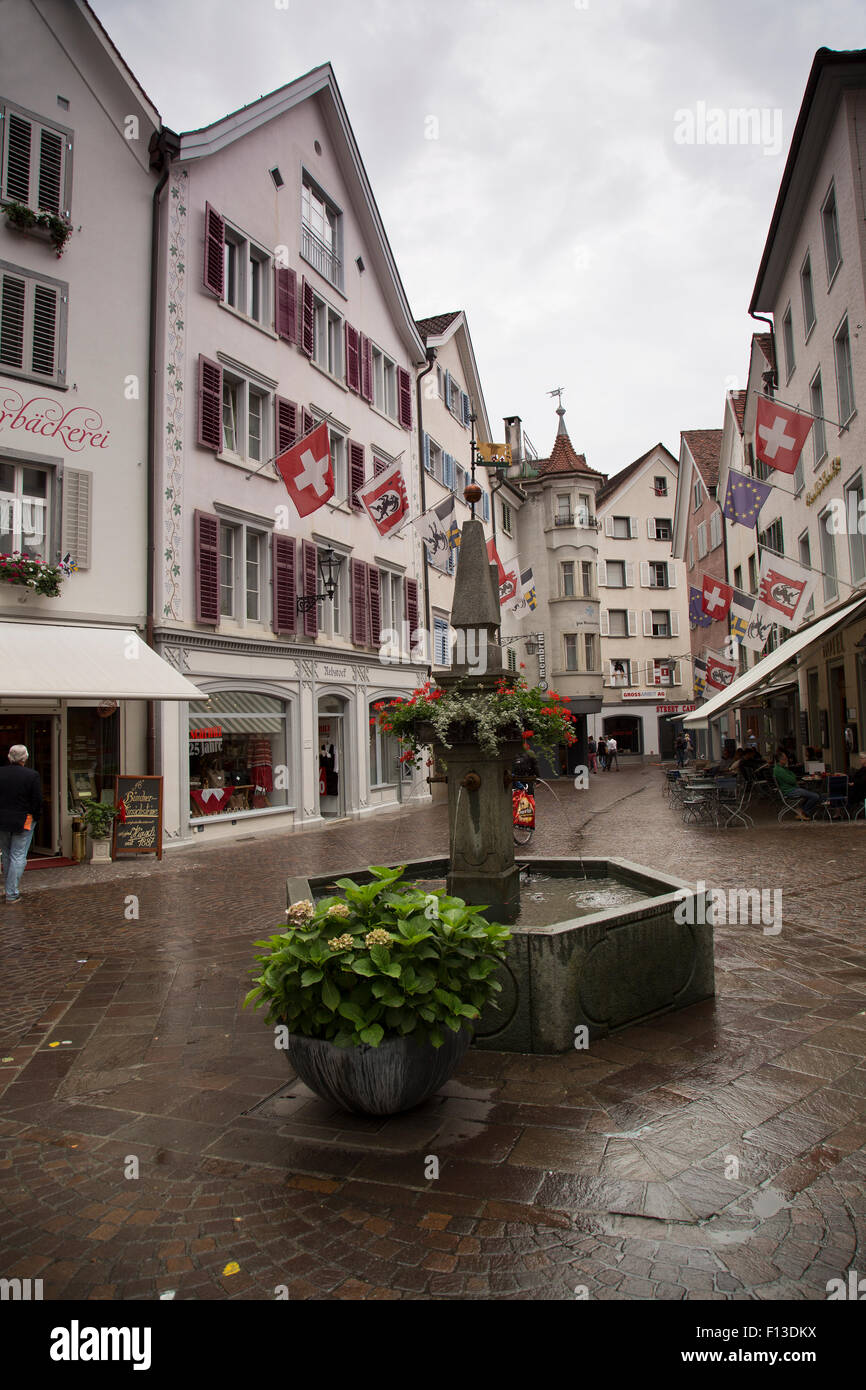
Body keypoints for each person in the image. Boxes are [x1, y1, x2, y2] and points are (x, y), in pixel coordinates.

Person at [0, 745, 42, 905]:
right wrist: (36, 817)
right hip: (24, 818)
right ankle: (12, 892)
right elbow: (37, 800)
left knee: (6, 853)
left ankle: (10, 889)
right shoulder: (31, 775)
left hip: (3, 819)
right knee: (18, 855)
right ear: (25, 758)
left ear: (9, 757)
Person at [772, 751, 820, 822]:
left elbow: (793, 776)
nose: (787, 759)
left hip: (791, 789)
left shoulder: (781, 768)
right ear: (780, 760)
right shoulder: (779, 770)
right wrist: (793, 777)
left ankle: (802, 811)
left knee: (811, 793)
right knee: (815, 796)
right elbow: (792, 780)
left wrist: (792, 776)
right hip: (790, 791)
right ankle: (803, 812)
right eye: (785, 758)